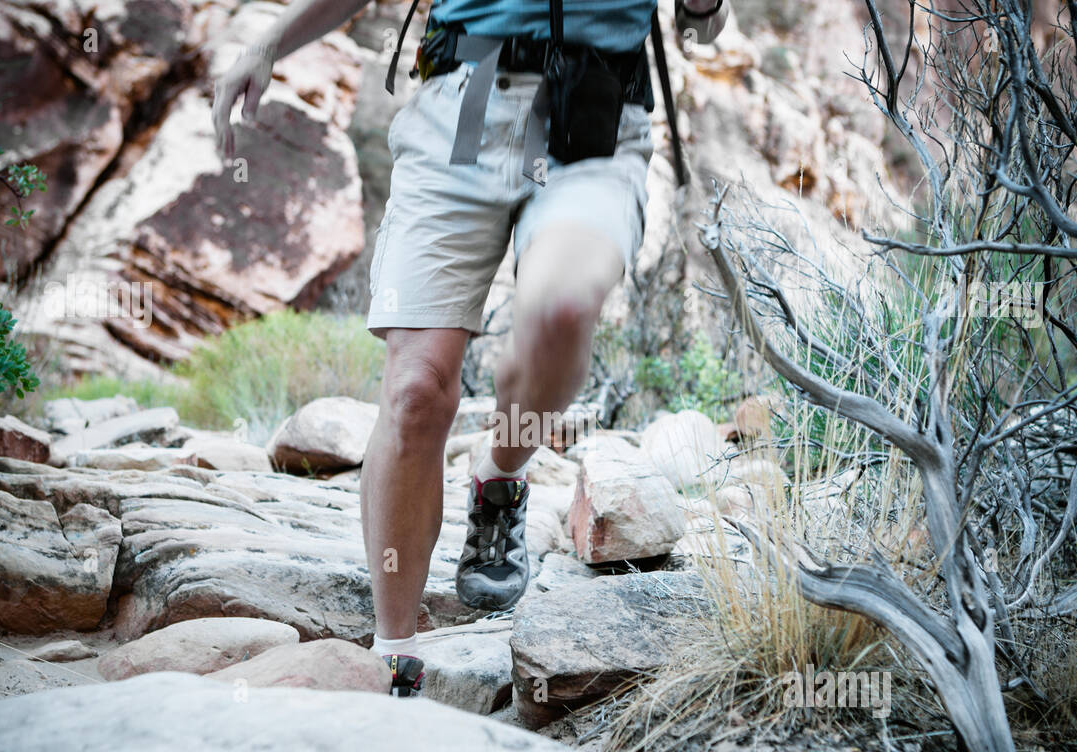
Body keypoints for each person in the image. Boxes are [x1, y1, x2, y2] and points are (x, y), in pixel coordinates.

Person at [212, 0, 728, 696]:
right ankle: (395, 661)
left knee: (561, 311)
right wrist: (269, 42)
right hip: (461, 104)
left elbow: (701, 28)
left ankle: (500, 473)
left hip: (594, 120)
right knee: (416, 391)